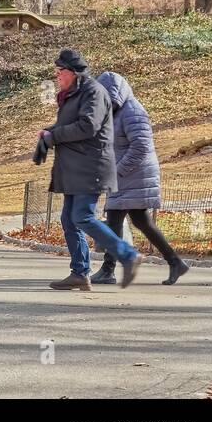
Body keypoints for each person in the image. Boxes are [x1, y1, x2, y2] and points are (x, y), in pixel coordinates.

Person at [39, 48, 140, 290]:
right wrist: (47, 134)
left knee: (81, 216)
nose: (56, 76)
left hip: (92, 166)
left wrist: (53, 135)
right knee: (68, 219)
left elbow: (88, 127)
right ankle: (80, 272)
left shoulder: (94, 92)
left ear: (72, 72)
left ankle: (127, 255)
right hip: (75, 169)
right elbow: (67, 126)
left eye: (59, 71)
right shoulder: (73, 95)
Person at [92, 72, 189, 286]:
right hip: (125, 175)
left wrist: (117, 171)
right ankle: (175, 262)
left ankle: (108, 269)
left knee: (115, 219)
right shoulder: (115, 112)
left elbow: (141, 148)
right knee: (139, 220)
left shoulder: (132, 111)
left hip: (134, 174)